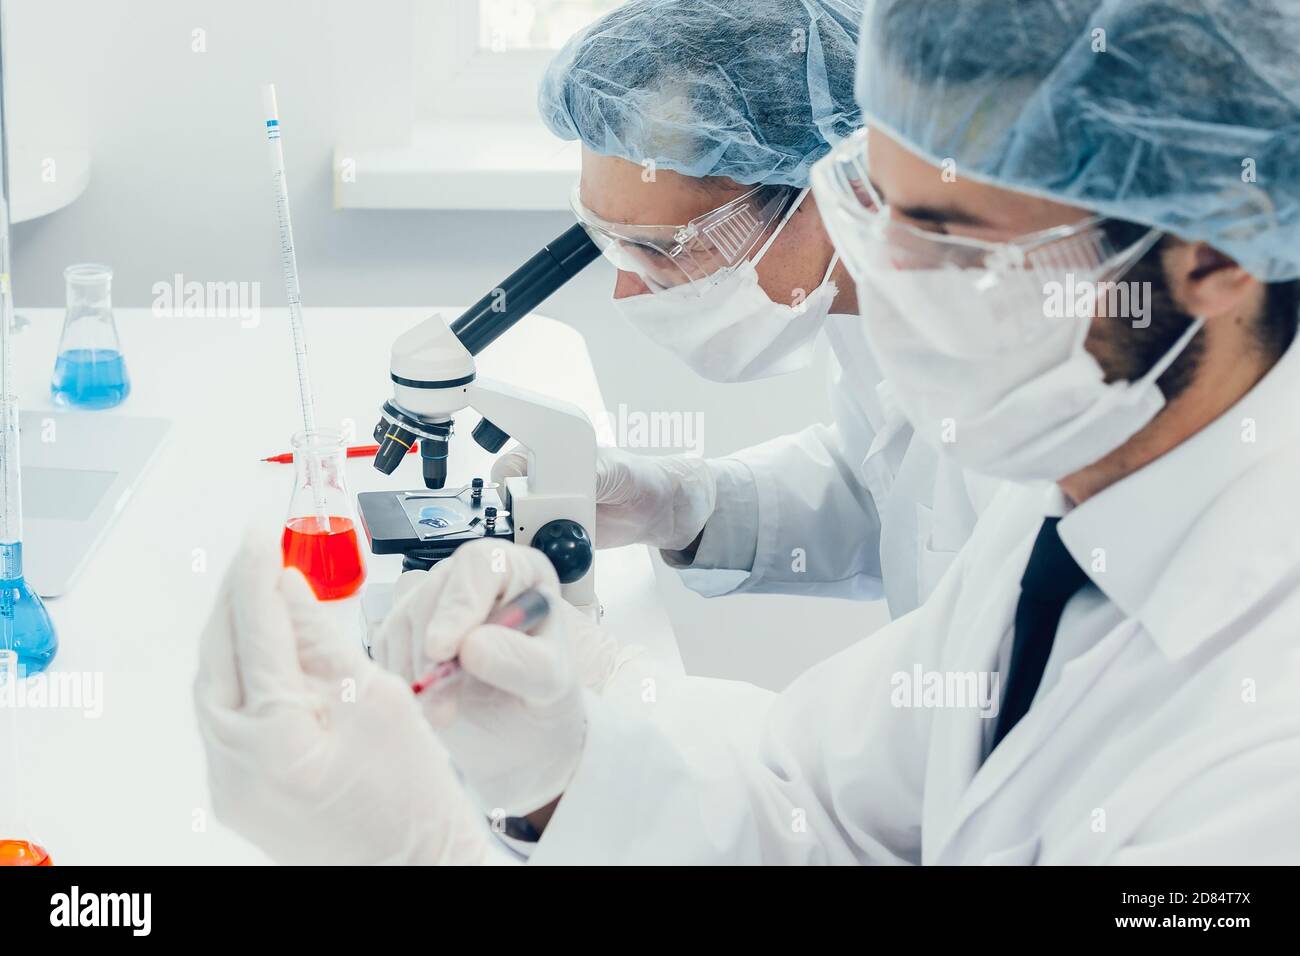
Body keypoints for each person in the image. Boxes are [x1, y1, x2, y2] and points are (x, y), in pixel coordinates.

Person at [198, 0, 1300, 864]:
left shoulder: (1262, 742)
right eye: (876, 207)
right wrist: (554, 771)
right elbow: (808, 802)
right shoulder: (1067, 512)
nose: (885, 272)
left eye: (952, 241)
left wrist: (427, 850)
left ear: (1215, 254)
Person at [498, 0, 998, 616]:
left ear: (843, 183)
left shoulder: (1018, 380)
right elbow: (895, 501)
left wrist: (619, 693)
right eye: (613, 245)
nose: (627, 292)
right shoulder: (873, 309)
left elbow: (993, 680)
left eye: (662, 249)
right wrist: (679, 507)